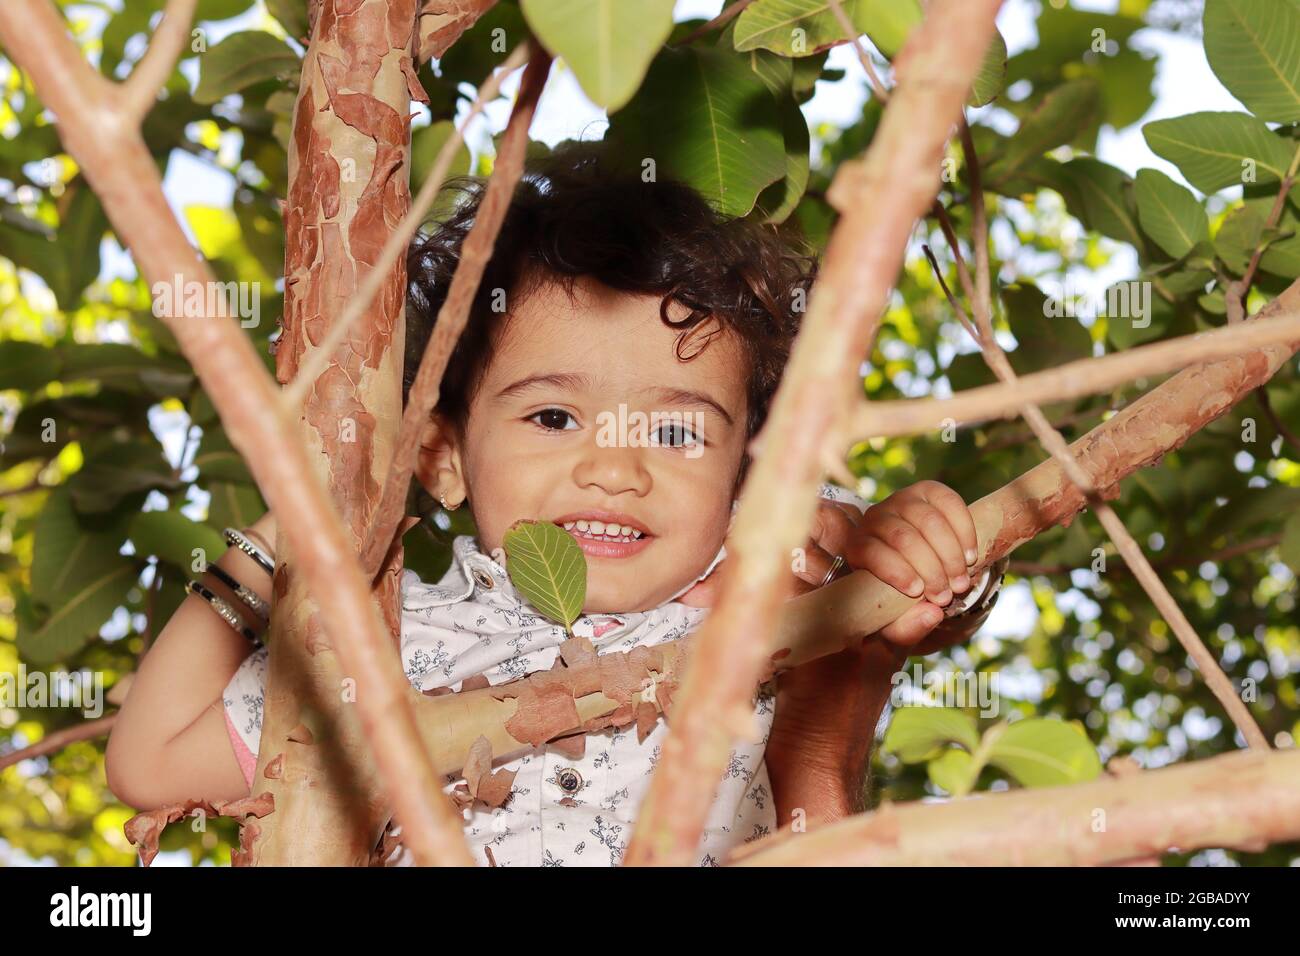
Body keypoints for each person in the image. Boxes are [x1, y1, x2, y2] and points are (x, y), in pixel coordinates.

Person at [106, 141, 1003, 866]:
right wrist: (284, 539)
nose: (614, 469)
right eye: (553, 415)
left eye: (678, 432)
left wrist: (919, 531)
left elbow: (904, 585)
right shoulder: (389, 642)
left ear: (745, 472)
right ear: (445, 458)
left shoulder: (760, 589)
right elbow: (148, 764)